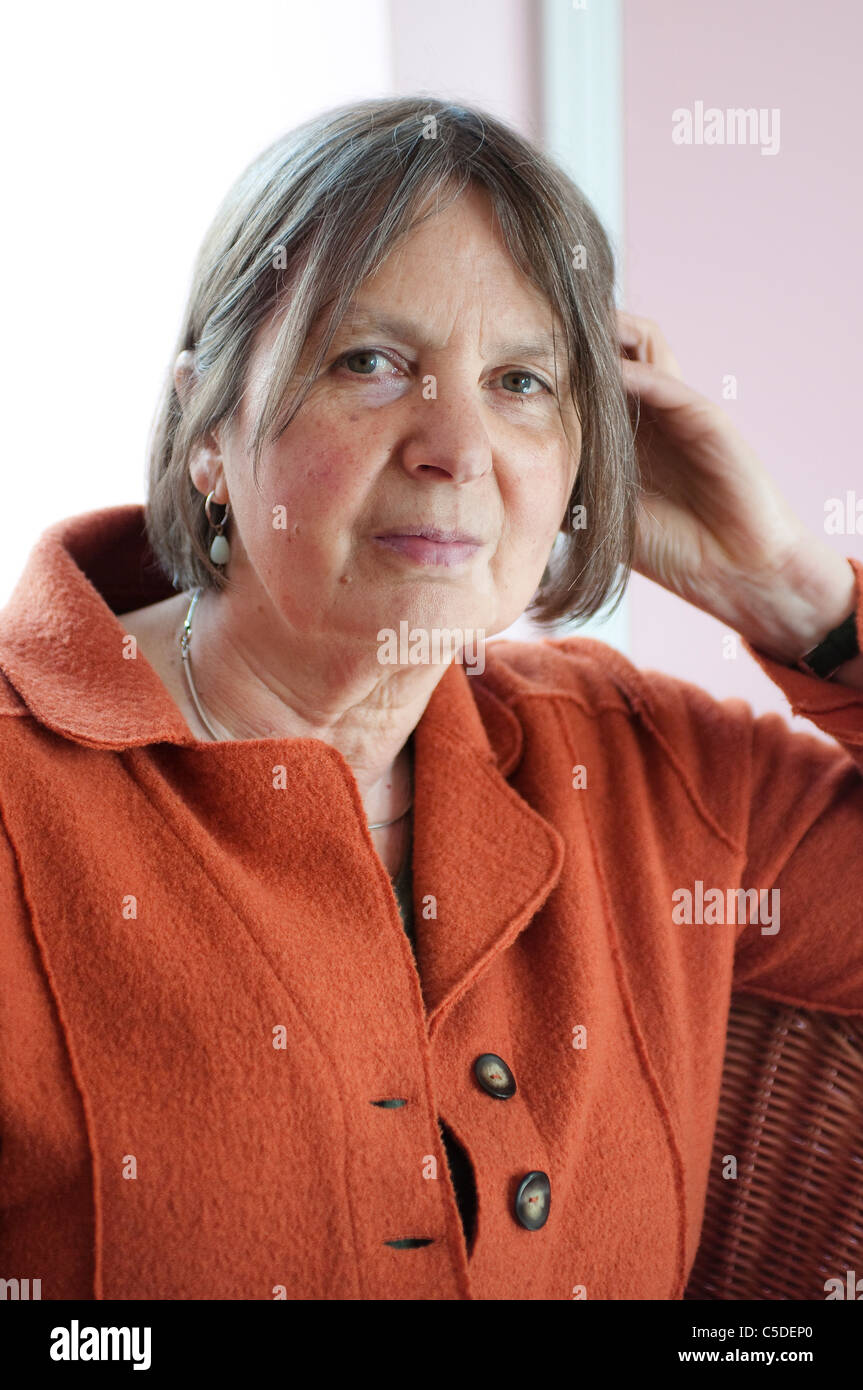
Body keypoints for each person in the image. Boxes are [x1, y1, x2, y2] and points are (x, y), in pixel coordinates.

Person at [0, 96, 861, 1302]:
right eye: (371, 363)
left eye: (519, 381)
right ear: (208, 426)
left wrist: (796, 597)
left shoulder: (636, 765)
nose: (456, 445)